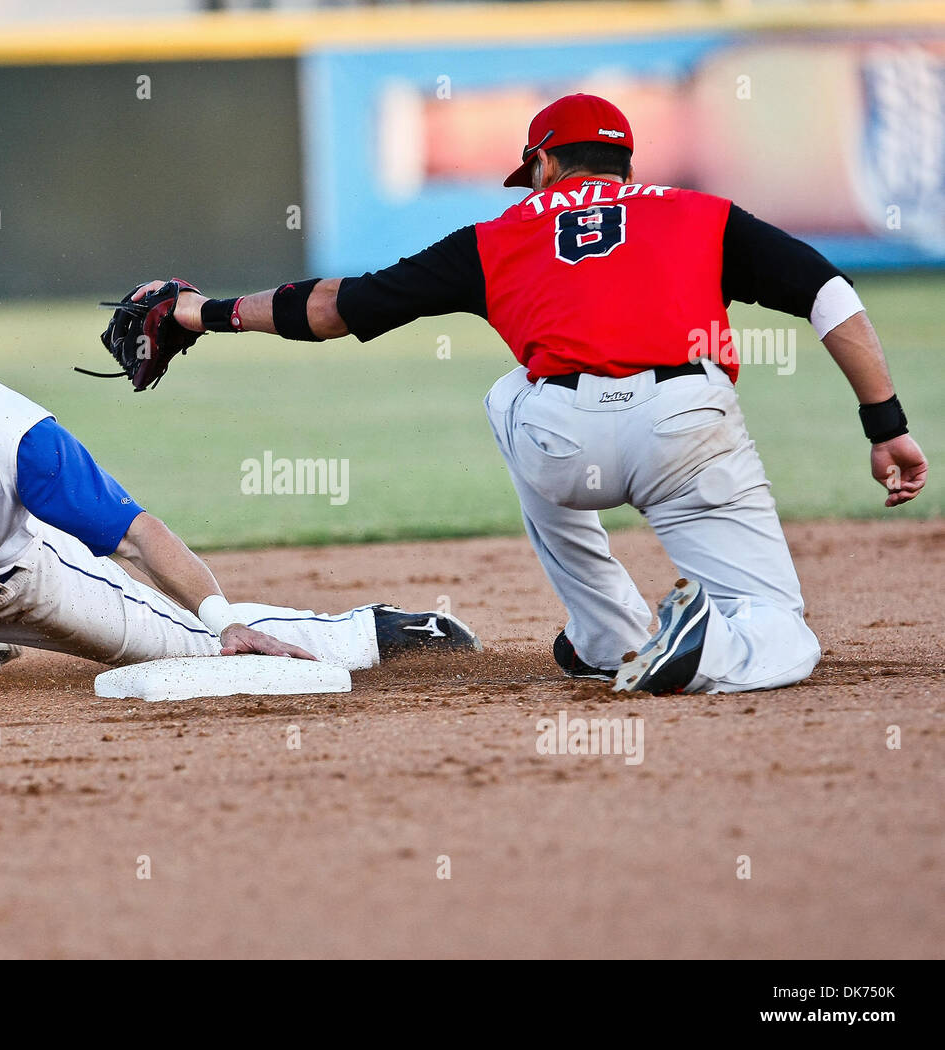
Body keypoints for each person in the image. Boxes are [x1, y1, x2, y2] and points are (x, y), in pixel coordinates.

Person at [135, 93, 928, 694]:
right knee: (780, 628)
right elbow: (830, 293)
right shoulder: (699, 216)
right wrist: (883, 423)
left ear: (545, 165)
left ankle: (608, 633)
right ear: (624, 166)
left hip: (563, 438)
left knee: (510, 393)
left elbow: (338, 305)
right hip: (689, 430)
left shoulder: (497, 237)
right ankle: (711, 647)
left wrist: (206, 313)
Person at [0, 267, 479, 690]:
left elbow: (134, 537)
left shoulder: (24, 438)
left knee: (200, 649)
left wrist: (223, 620)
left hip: (25, 583)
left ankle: (372, 631)